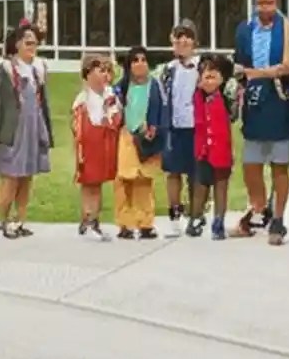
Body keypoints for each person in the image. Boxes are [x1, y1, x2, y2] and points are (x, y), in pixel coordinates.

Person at [232, 0, 289, 245]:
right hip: (255, 101)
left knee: (279, 165)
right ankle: (258, 210)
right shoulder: (245, 29)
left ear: (277, 2)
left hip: (279, 101)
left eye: (269, 2)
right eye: (260, 2)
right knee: (250, 165)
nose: (264, 7)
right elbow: (241, 63)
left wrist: (269, 72)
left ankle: (278, 218)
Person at [0, 22, 52, 239]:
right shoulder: (5, 69)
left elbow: (42, 104)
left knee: (27, 177)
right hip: (11, 131)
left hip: (32, 129)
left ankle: (20, 220)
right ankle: (4, 221)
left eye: (35, 42)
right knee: (10, 177)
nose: (32, 45)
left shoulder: (37, 70)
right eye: (27, 41)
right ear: (16, 44)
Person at [114, 46, 165, 240]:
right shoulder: (122, 86)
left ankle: (145, 224)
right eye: (135, 60)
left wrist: (155, 129)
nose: (140, 64)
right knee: (124, 180)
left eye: (143, 60)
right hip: (127, 136)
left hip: (148, 137)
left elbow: (162, 110)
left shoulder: (155, 86)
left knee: (144, 181)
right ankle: (125, 224)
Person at [156, 19, 201, 237]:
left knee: (195, 172)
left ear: (194, 42)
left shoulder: (201, 67)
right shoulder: (166, 70)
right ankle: (175, 214)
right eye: (178, 37)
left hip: (195, 127)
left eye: (187, 37)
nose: (183, 41)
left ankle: (196, 215)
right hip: (173, 127)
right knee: (173, 172)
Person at [72, 54, 120, 242]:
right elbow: (78, 124)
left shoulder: (110, 95)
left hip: (104, 145)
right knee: (89, 183)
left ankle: (93, 218)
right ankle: (88, 218)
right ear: (88, 74)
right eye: (101, 71)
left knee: (98, 184)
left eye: (108, 71)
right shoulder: (82, 99)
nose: (105, 75)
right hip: (89, 146)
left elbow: (115, 117)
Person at [189, 53, 237, 240]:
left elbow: (233, 115)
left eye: (213, 76)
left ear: (221, 79)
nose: (209, 81)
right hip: (203, 150)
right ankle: (196, 216)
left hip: (221, 151)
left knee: (221, 186)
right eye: (205, 77)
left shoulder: (225, 97)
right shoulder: (198, 97)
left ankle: (219, 220)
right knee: (201, 185)